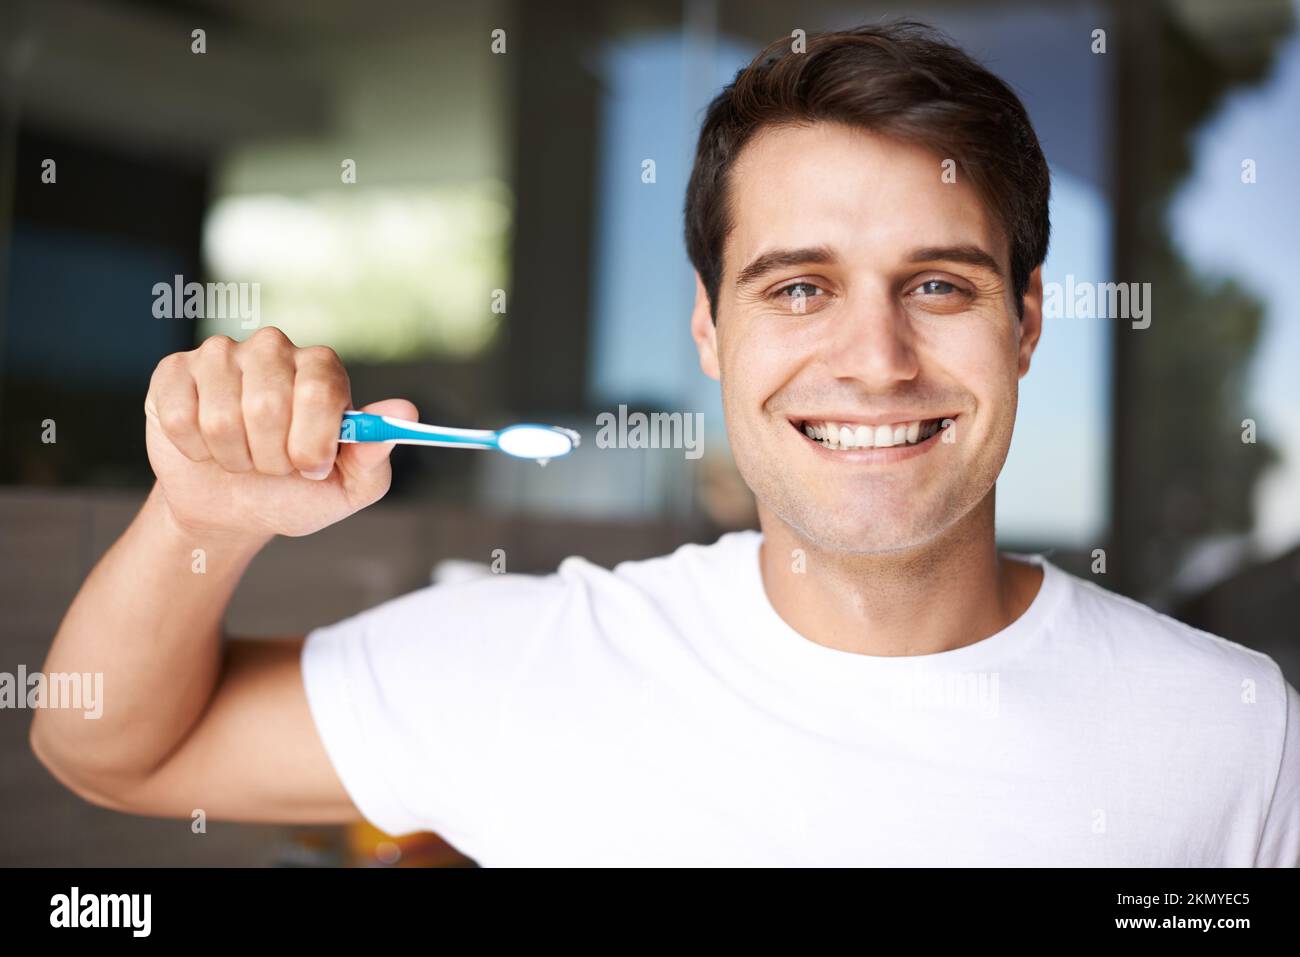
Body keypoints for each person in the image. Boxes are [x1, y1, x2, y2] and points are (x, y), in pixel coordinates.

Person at [31, 21, 1298, 866]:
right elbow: (110, 746)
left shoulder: (1231, 730)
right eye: (799, 287)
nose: (873, 359)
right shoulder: (524, 662)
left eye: (938, 287)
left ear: (1025, 324)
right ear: (709, 329)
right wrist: (203, 521)